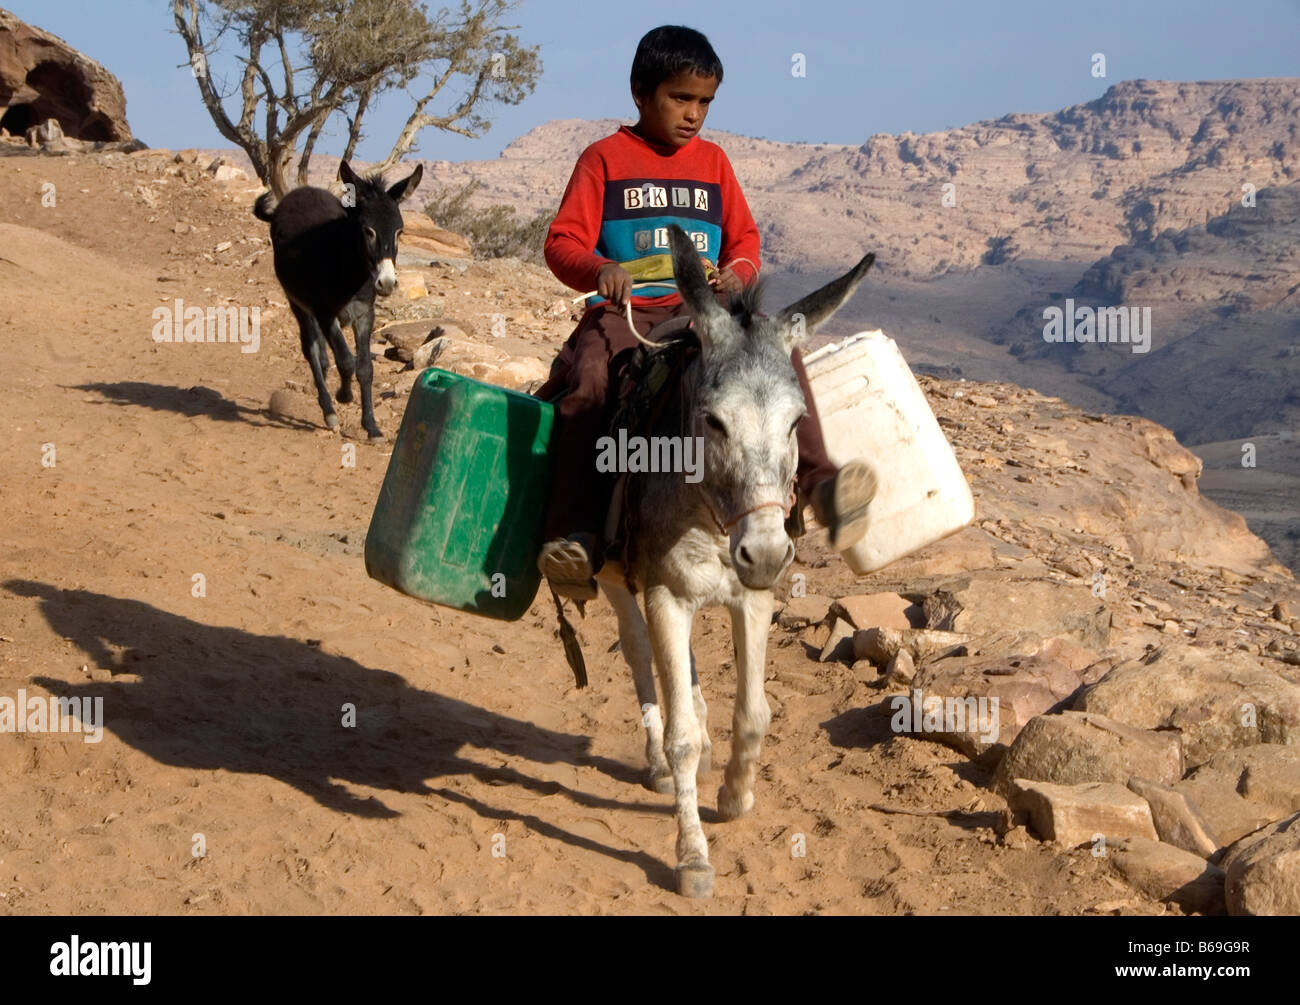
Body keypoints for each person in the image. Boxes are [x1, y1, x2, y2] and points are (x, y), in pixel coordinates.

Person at [537, 24, 875, 601]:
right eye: (681, 98)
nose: (694, 114)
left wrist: (737, 275)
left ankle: (819, 484)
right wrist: (599, 271)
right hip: (629, 316)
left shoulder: (714, 163)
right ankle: (577, 535)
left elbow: (743, 240)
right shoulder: (604, 159)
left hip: (708, 315)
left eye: (705, 102)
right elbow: (561, 241)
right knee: (591, 379)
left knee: (777, 351)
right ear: (641, 93)